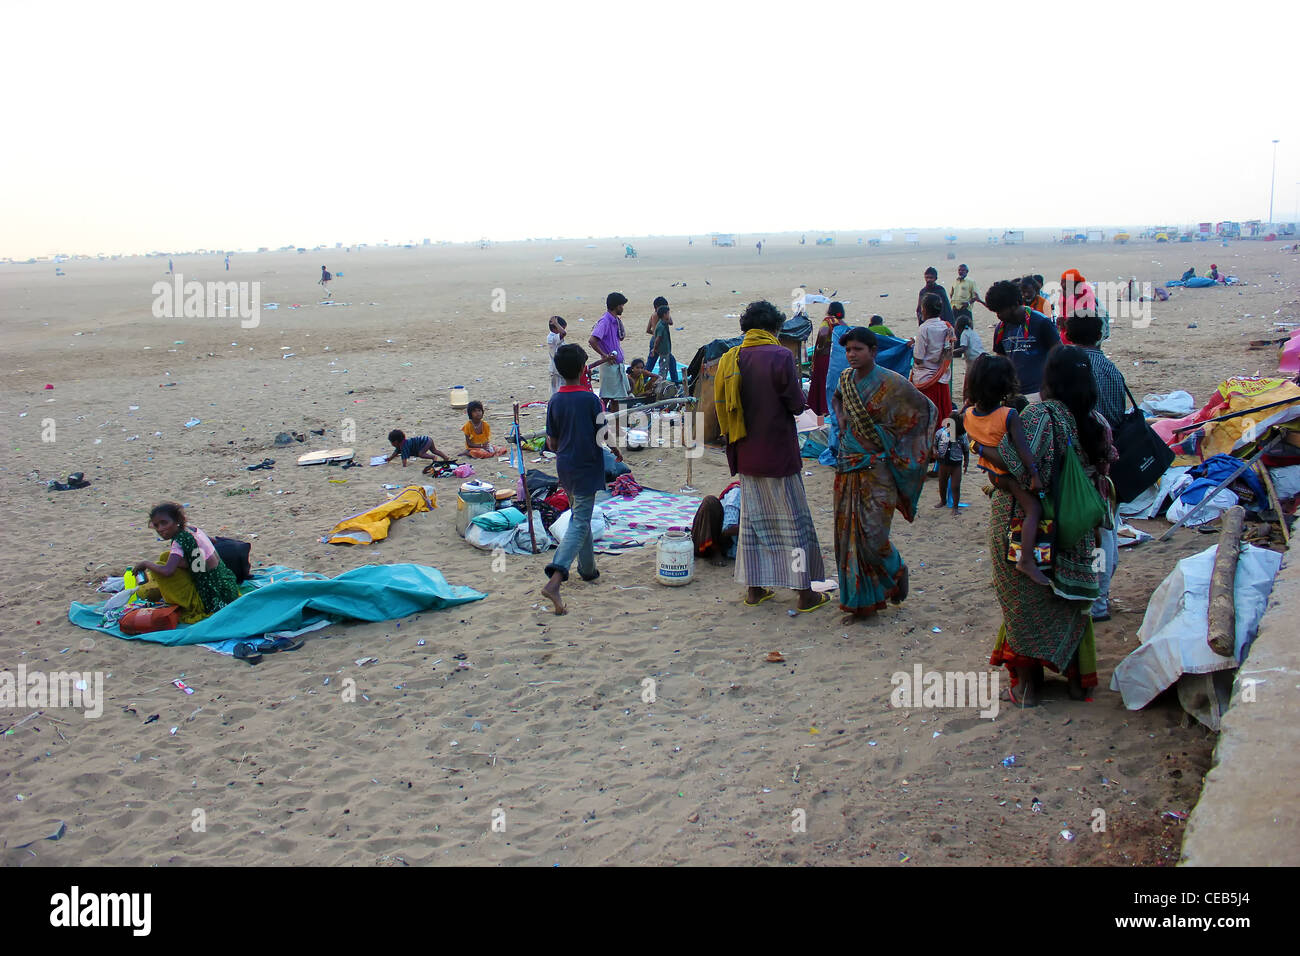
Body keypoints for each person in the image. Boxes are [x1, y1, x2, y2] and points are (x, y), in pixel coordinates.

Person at [984, 346, 1114, 706]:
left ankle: (1027, 687)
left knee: (1023, 600)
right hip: (1078, 525)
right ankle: (1076, 682)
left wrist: (982, 448)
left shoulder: (1041, 416)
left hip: (1029, 522)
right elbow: (1104, 469)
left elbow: (1017, 467)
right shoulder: (1097, 422)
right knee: (1068, 601)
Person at [714, 300, 828, 611]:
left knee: (753, 524)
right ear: (774, 328)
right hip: (778, 453)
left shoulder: (730, 358)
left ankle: (755, 589)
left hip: (746, 453)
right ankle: (804, 592)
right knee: (793, 524)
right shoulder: (781, 356)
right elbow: (795, 404)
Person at [831, 327, 936, 622]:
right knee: (847, 537)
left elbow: (925, 412)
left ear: (873, 351)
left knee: (874, 536)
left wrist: (885, 436)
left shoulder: (893, 383)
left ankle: (897, 568)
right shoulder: (846, 380)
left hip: (878, 470)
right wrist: (840, 418)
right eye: (848, 350)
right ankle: (862, 603)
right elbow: (838, 399)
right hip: (847, 467)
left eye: (858, 349)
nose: (852, 355)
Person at [541, 343, 619, 615]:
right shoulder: (589, 399)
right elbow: (603, 434)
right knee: (580, 520)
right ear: (583, 369)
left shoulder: (555, 401)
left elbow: (551, 441)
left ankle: (588, 570)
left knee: (580, 515)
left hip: (566, 467)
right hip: (586, 466)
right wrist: (615, 449)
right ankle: (556, 577)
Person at [963, 355, 1050, 586]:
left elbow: (977, 440)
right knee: (1034, 510)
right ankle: (1027, 560)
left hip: (992, 475)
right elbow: (1023, 451)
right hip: (1008, 476)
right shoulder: (1008, 415)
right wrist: (1034, 475)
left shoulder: (969, 415)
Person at [1067, 311, 1127, 621]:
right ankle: (1100, 600)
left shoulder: (1076, 367)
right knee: (1107, 533)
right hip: (1106, 464)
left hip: (1089, 467)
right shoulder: (1110, 368)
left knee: (1095, 538)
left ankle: (1096, 602)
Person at [132, 503, 241, 624]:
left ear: (177, 520)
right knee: (166, 557)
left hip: (212, 596)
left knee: (160, 568)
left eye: (164, 523)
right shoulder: (192, 529)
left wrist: (146, 564)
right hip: (227, 587)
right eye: (156, 525)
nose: (160, 529)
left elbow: (167, 571)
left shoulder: (180, 540)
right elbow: (213, 542)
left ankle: (187, 603)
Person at [989, 279, 1060, 401]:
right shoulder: (1000, 329)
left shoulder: (1041, 322)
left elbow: (1060, 355)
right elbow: (1001, 361)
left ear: (1016, 304)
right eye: (996, 311)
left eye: (1001, 310)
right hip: (1013, 395)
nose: (998, 315)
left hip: (1040, 394)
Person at [911, 293, 955, 431]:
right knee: (944, 416)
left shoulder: (924, 328)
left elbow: (918, 358)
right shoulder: (947, 327)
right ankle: (948, 444)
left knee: (928, 420)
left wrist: (913, 346)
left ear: (924, 310)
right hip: (942, 379)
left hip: (926, 381)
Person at [588, 292, 632, 426]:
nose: (623, 308)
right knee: (608, 397)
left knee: (615, 397)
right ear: (615, 306)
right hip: (610, 365)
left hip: (616, 365)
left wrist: (620, 322)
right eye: (621, 305)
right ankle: (602, 424)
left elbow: (621, 337)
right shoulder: (605, 321)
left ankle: (615, 425)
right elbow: (592, 340)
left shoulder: (614, 321)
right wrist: (605, 355)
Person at [808, 302, 848, 419]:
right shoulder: (843, 324)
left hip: (825, 356)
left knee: (822, 381)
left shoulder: (827, 321)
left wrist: (819, 348)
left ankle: (821, 409)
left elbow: (823, 334)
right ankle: (832, 408)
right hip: (838, 357)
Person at [691, 481, 741, 566]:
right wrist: (751, 526)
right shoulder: (737, 493)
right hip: (710, 539)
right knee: (710, 502)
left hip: (732, 545)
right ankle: (715, 551)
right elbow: (727, 529)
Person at [934, 413, 968, 512]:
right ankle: (943, 500)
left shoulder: (962, 436)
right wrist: (934, 451)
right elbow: (934, 444)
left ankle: (955, 506)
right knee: (942, 483)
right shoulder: (940, 433)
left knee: (955, 486)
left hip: (956, 464)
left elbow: (966, 450)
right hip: (943, 462)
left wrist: (966, 462)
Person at [387, 429, 454, 466]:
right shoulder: (402, 444)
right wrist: (390, 458)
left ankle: (433, 457)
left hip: (424, 441)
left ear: (395, 442)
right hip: (427, 439)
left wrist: (404, 465)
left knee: (421, 454)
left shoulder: (404, 447)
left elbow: (404, 459)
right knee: (434, 450)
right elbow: (395, 452)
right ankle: (445, 457)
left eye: (391, 442)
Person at [650, 305, 679, 384]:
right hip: (663, 351)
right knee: (663, 369)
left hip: (666, 350)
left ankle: (670, 381)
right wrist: (654, 349)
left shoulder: (664, 322)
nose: (669, 315)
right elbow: (658, 339)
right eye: (668, 313)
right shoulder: (661, 326)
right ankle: (660, 384)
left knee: (669, 364)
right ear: (664, 315)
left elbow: (671, 322)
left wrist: (668, 316)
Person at [645, 296, 669, 369]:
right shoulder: (660, 316)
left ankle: (644, 378)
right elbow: (671, 322)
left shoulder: (653, 315)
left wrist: (655, 334)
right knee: (669, 360)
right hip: (659, 341)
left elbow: (648, 330)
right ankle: (675, 378)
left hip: (654, 339)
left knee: (650, 363)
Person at [547, 316, 568, 394]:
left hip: (560, 368)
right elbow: (563, 333)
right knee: (556, 390)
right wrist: (556, 323)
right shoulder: (551, 337)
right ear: (555, 329)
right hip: (556, 369)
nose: (563, 330)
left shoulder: (555, 336)